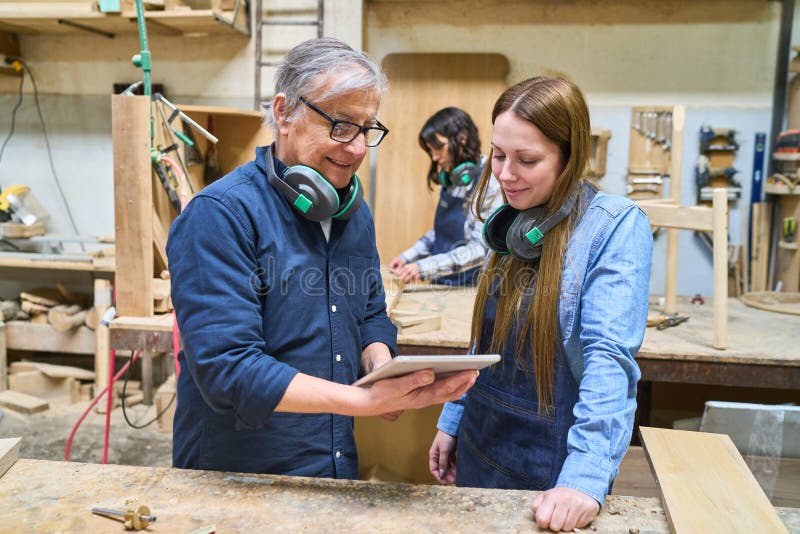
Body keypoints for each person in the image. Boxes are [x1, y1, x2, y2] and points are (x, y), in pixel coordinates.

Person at [167, 37, 478, 479]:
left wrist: (379, 362)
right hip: (239, 477)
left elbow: (370, 310)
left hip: (332, 463)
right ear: (284, 113)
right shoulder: (220, 216)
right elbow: (228, 369)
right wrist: (364, 402)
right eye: (341, 125)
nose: (355, 149)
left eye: (367, 129)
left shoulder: (353, 211)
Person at [427, 77, 653, 532]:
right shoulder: (512, 221)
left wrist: (585, 479)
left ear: (569, 158)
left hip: (552, 464)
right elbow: (485, 337)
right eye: (499, 154)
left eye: (527, 160)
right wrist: (454, 417)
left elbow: (608, 359)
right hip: (481, 439)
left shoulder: (613, 227)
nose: (506, 175)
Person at [389, 107, 502, 286]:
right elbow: (443, 232)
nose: (434, 157)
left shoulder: (490, 181)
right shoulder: (453, 180)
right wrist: (408, 257)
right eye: (430, 150)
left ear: (462, 138)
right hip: (443, 283)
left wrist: (424, 267)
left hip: (471, 288)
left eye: (438, 147)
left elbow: (481, 248)